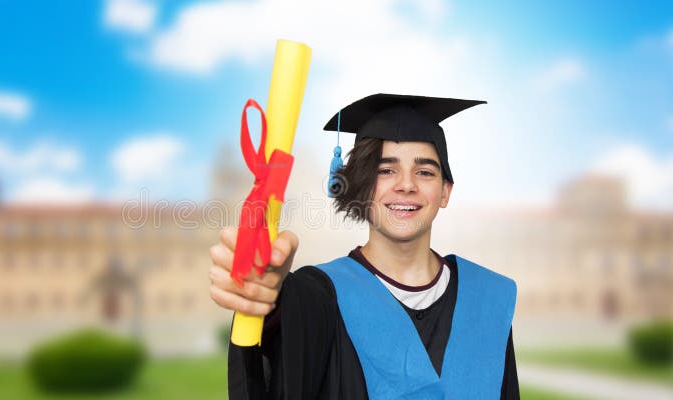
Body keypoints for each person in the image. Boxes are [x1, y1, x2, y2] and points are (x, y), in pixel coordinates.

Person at [209, 94, 519, 399]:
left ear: (445, 192)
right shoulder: (319, 296)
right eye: (385, 170)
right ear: (360, 185)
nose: (407, 184)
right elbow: (277, 352)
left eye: (424, 172)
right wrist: (265, 295)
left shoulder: (487, 297)